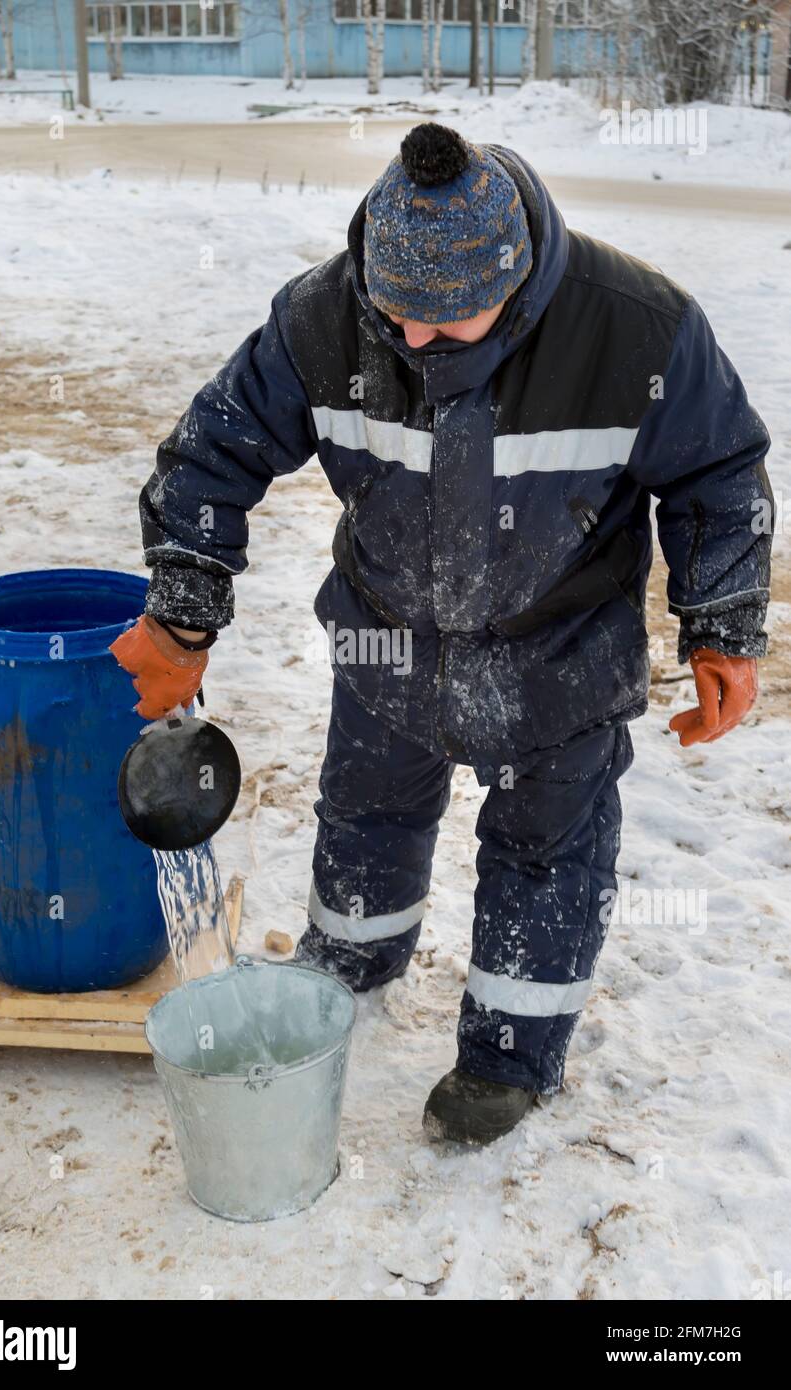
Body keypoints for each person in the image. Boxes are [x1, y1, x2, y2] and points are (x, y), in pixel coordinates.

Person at [112, 123, 772, 1145]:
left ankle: (508, 1053)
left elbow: (716, 478)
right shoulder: (323, 319)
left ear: (516, 284)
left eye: (448, 322)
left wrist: (721, 625)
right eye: (397, 317)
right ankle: (355, 956)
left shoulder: (633, 328)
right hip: (385, 642)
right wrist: (182, 609)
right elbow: (214, 452)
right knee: (364, 814)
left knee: (545, 853)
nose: (414, 342)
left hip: (558, 655)